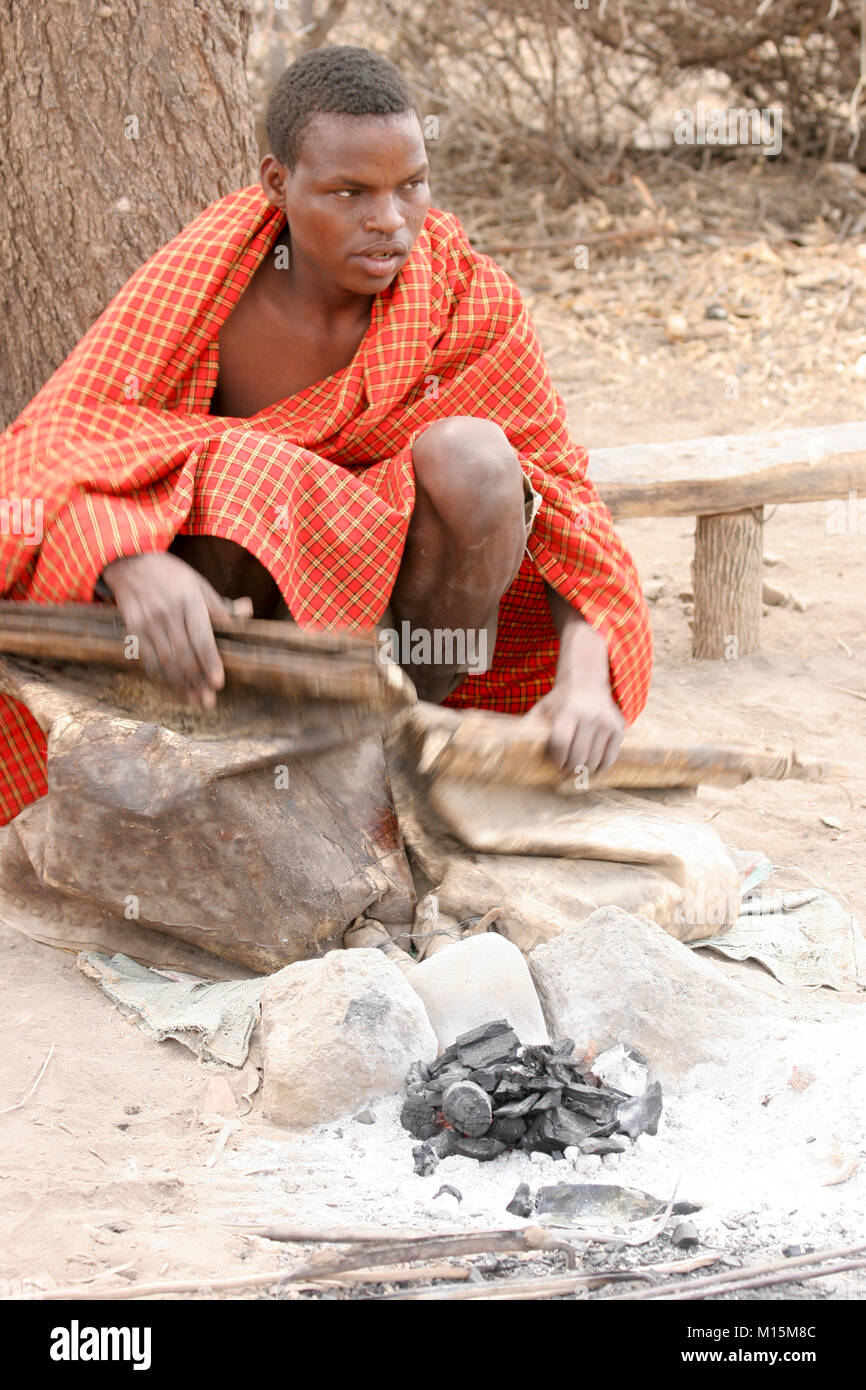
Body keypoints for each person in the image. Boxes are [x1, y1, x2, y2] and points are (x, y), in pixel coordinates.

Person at [0, 45, 652, 829]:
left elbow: (565, 504)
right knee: (249, 466)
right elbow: (58, 437)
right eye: (350, 192)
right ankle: (233, 744)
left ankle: (390, 738)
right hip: (228, 622)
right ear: (278, 184)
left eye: (411, 186)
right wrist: (123, 560)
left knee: (478, 458)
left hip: (396, 636)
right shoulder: (209, 280)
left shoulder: (465, 293)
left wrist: (586, 679)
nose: (389, 220)